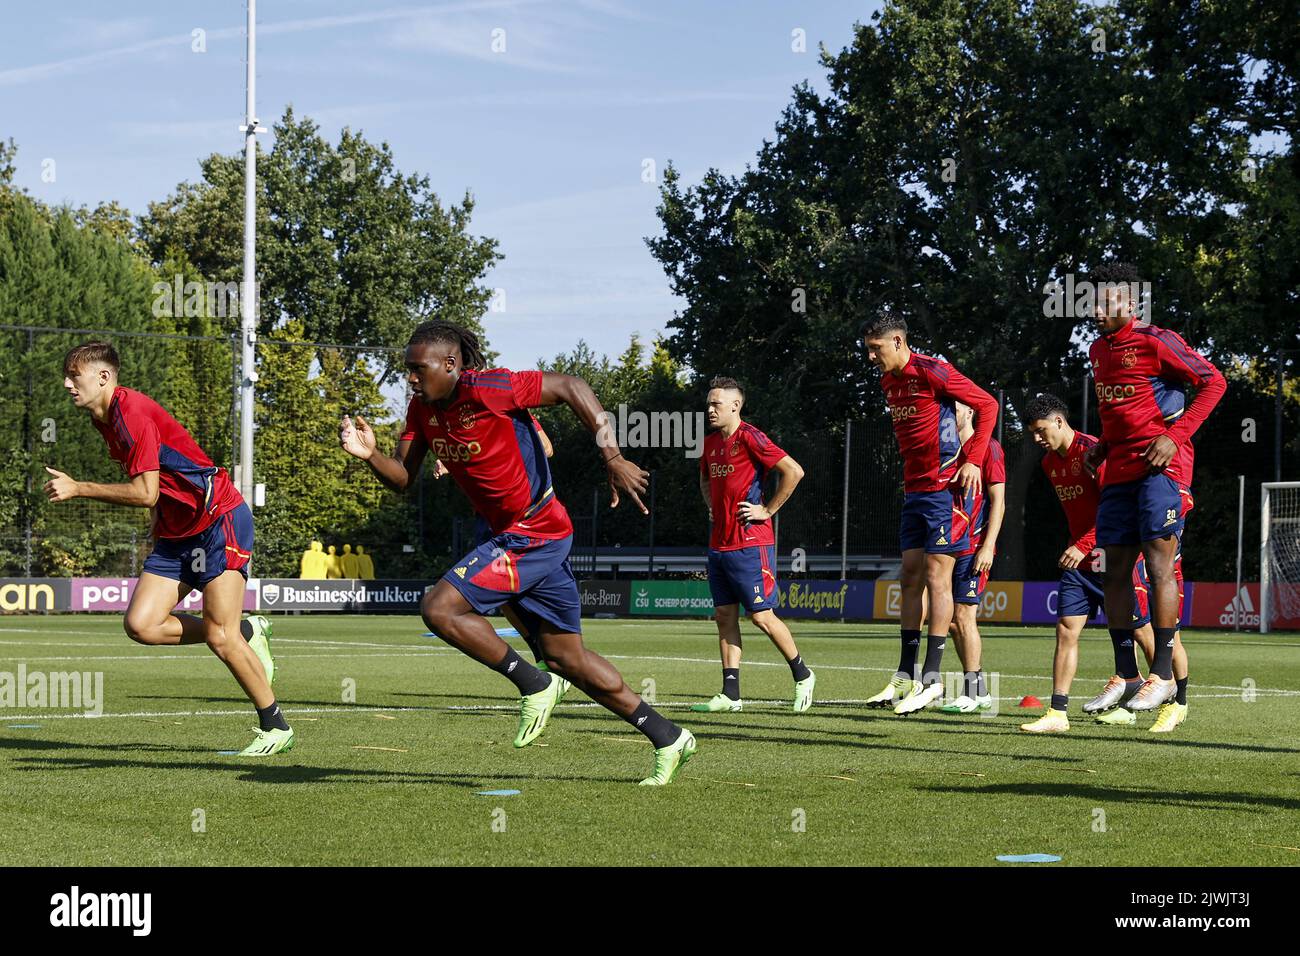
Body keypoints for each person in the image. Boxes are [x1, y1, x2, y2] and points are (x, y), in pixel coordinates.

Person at [340, 320, 697, 784]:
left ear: (450, 365)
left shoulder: (489, 388)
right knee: (568, 657)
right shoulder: (421, 410)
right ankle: (669, 736)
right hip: (513, 537)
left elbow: (572, 385)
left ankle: (534, 683)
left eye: (417, 368)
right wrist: (369, 455)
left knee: (439, 608)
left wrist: (612, 456)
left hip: (534, 532)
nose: (409, 377)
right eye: (407, 369)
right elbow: (405, 480)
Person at [45, 341, 290, 756]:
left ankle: (275, 726)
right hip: (178, 531)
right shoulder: (103, 419)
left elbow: (144, 491)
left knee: (220, 636)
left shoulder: (132, 414)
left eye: (75, 376)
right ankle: (249, 629)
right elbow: (160, 485)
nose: (67, 384)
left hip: (219, 520)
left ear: (103, 377)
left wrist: (79, 487)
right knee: (141, 625)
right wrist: (160, 523)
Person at [1086, 262, 1224, 721]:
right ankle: (1126, 672)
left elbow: (1213, 383)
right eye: (1092, 302)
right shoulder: (1097, 351)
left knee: (1160, 567)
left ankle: (1162, 673)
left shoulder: (1157, 340)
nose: (1096, 311)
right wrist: (1102, 446)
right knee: (1113, 573)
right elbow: (1124, 410)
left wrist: (1176, 435)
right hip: (1118, 472)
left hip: (1160, 471)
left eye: (1105, 302)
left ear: (1130, 302)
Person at [1019, 392, 1187, 733]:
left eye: (1040, 430)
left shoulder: (1093, 450)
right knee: (1066, 629)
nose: (1037, 439)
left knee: (1144, 632)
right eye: (1032, 433)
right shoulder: (1050, 463)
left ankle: (1174, 701)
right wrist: (1077, 547)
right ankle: (1057, 713)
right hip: (1080, 562)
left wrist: (1083, 545)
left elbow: (1117, 510)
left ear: (1059, 422)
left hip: (1112, 553)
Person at [860, 311, 999, 715]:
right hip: (915, 491)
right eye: (868, 349)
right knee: (909, 578)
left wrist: (973, 459)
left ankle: (933, 679)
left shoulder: (933, 371)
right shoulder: (889, 381)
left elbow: (987, 405)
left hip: (945, 491)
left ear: (898, 342)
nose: (871, 357)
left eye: (876, 349)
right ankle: (904, 675)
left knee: (939, 576)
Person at [691, 376, 814, 714]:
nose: (710, 408)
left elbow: (794, 471)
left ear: (736, 406)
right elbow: (704, 478)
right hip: (720, 545)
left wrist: (767, 510)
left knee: (761, 616)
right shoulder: (710, 443)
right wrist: (711, 507)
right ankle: (731, 694)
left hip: (750, 543)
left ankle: (803, 674)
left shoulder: (751, 437)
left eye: (717, 403)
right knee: (724, 616)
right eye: (709, 402)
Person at [939, 401, 1005, 714]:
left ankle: (970, 691)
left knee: (964, 616)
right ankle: (979, 691)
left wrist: (988, 546)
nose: (950, 414)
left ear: (970, 413)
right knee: (952, 623)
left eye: (955, 408)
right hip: (947, 547)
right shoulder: (945, 449)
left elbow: (999, 502)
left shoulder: (988, 448)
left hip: (973, 546)